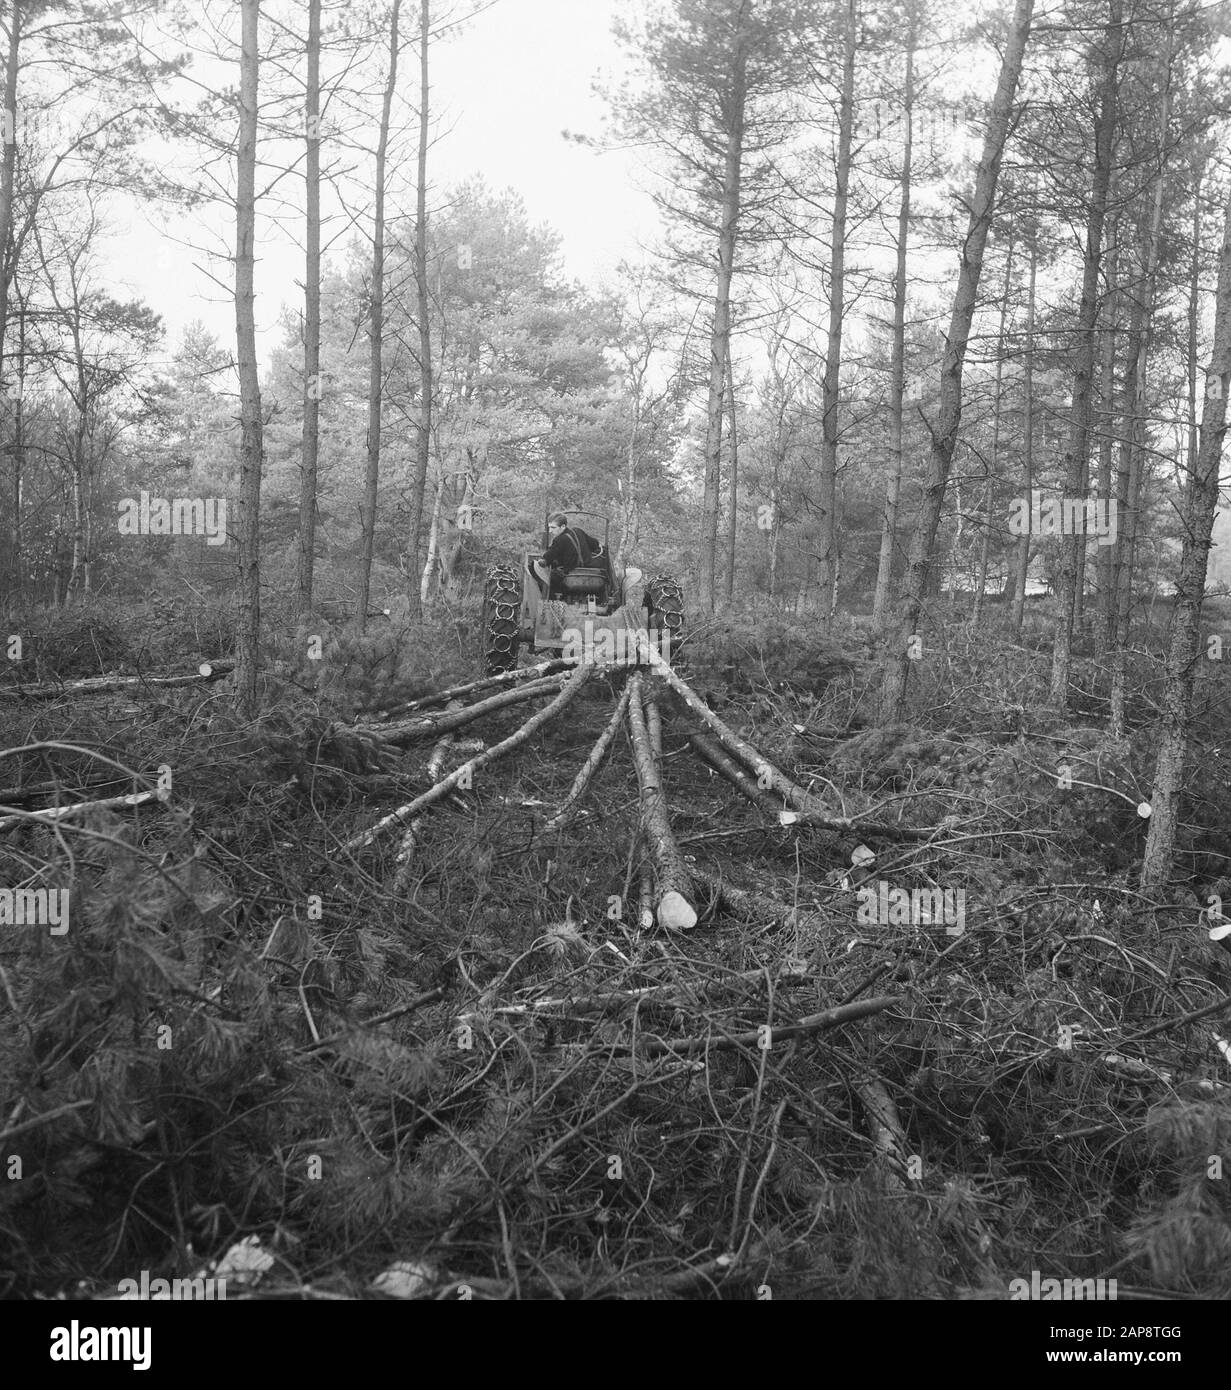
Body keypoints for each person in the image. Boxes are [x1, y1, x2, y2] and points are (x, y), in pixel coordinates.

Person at [531, 512, 601, 596]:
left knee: (547, 580)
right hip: (591, 572)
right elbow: (595, 544)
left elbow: (547, 558)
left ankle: (551, 603)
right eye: (549, 528)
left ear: (563, 526)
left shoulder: (559, 540)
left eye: (553, 528)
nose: (550, 531)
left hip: (571, 575)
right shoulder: (578, 531)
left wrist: (542, 561)